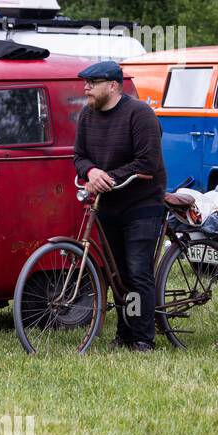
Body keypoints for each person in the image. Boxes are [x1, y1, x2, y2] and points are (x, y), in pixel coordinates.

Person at [72, 60, 167, 351]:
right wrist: (91, 172)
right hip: (108, 203)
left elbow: (147, 162)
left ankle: (142, 338)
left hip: (142, 202)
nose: (86, 88)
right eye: (85, 83)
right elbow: (79, 156)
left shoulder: (140, 114)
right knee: (117, 273)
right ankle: (124, 334)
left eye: (93, 83)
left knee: (137, 270)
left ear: (113, 86)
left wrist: (109, 176)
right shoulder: (87, 116)